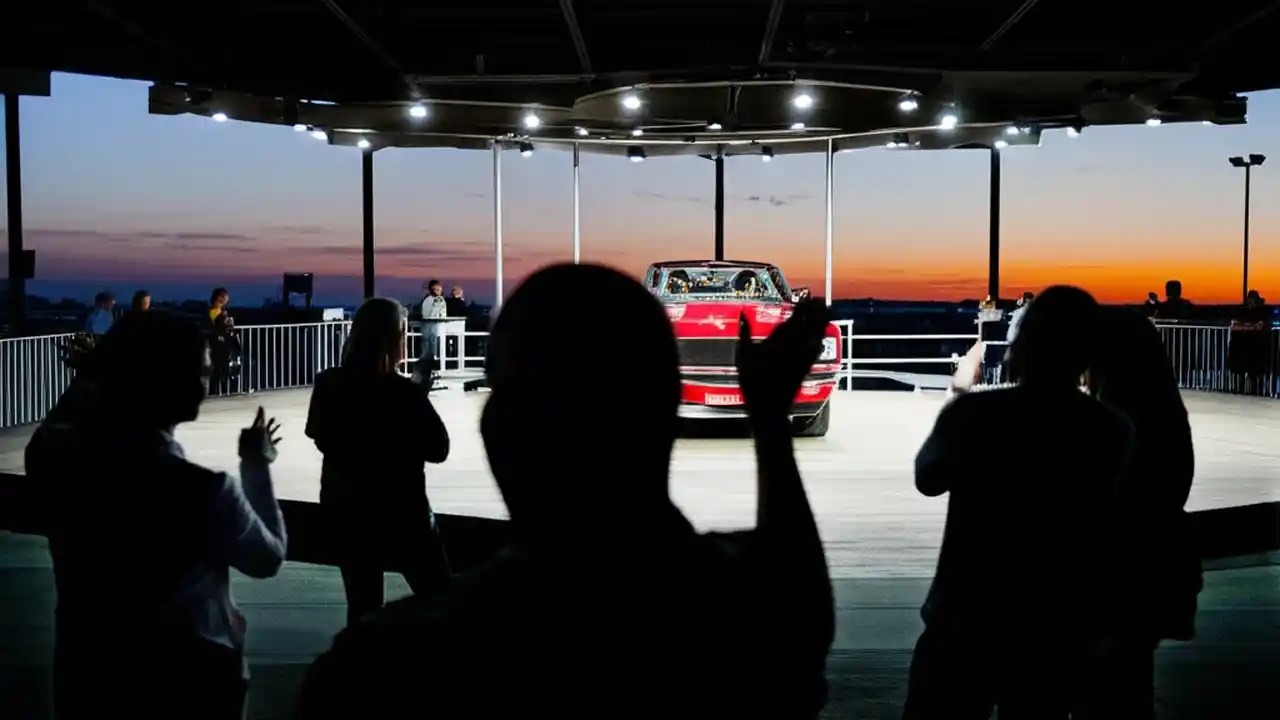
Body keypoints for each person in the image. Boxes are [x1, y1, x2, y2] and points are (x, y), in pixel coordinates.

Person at [295, 264, 835, 718]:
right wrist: (767, 417)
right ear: (661, 407)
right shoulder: (761, 620)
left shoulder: (375, 668)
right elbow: (798, 589)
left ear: (499, 430)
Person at [26, 311, 287, 720]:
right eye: (200, 370)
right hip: (190, 673)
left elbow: (59, 425)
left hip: (90, 665)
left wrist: (95, 372)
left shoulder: (58, 459)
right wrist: (256, 465)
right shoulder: (202, 489)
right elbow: (267, 557)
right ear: (172, 382)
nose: (208, 378)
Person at [903, 285, 1134, 719]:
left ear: (1021, 346)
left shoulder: (974, 416)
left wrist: (957, 396)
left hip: (966, 614)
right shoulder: (1109, 429)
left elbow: (928, 478)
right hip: (1056, 624)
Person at [305, 297, 452, 627]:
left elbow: (320, 434)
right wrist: (418, 393)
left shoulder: (328, 383)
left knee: (362, 602)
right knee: (440, 598)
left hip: (346, 512)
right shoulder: (403, 393)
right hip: (403, 514)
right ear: (394, 339)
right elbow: (438, 448)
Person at [1085, 307, 1199, 719]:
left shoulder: (1115, 419)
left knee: (1107, 686)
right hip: (1153, 568)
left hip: (1116, 573)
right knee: (1132, 683)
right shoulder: (1165, 411)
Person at [412, 280, 448, 385]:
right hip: (429, 330)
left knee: (436, 353)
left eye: (439, 289)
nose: (438, 291)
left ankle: (434, 374)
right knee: (427, 354)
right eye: (436, 289)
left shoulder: (441, 300)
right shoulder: (428, 300)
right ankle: (424, 376)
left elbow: (442, 314)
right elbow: (427, 314)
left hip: (437, 330)